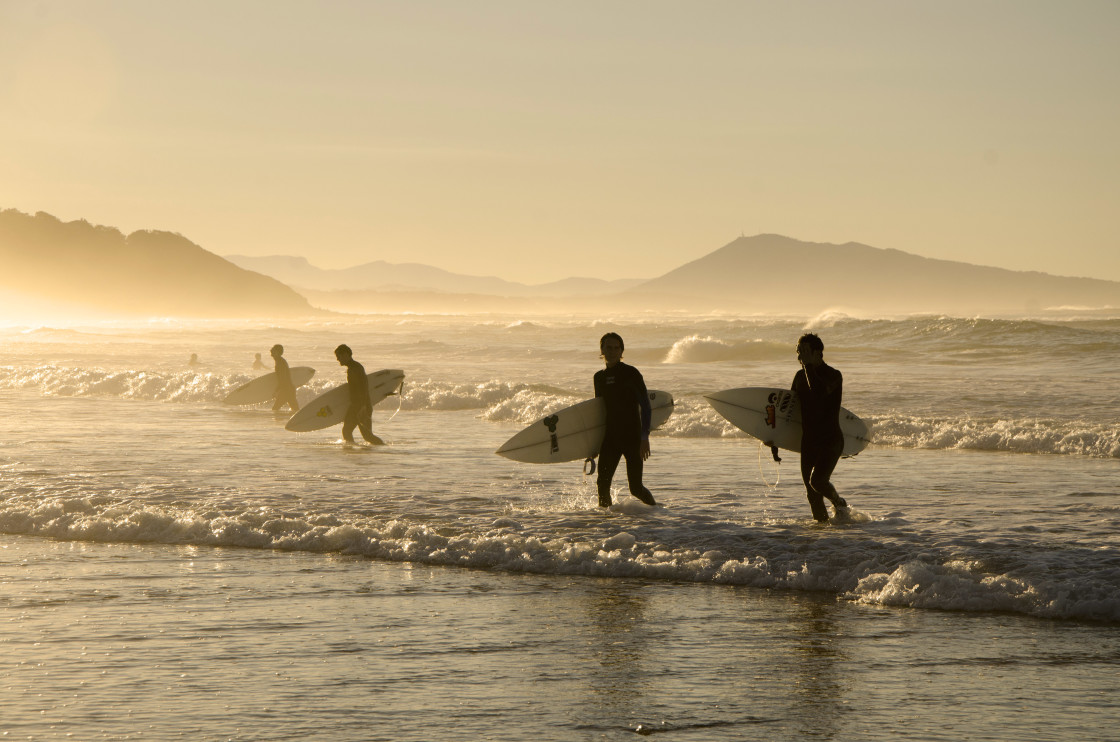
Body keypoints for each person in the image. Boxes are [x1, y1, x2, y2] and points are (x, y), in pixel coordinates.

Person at [593, 332, 657, 508]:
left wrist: (645, 438)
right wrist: (592, 446)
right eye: (608, 347)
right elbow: (599, 413)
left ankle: (656, 512)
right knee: (602, 485)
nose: (612, 351)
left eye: (616, 348)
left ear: (621, 350)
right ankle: (607, 524)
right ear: (602, 349)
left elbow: (645, 406)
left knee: (635, 488)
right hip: (610, 438)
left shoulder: (631, 373)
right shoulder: (599, 378)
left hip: (632, 437)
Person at [792, 333, 850, 521]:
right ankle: (822, 540)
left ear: (818, 353)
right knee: (812, 494)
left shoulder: (833, 375)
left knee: (818, 481)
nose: (801, 357)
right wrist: (773, 440)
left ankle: (839, 502)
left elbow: (817, 393)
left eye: (806, 352)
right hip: (808, 441)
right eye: (799, 352)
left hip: (830, 439)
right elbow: (789, 413)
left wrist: (808, 366)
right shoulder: (800, 376)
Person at [334, 344, 384, 445]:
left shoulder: (355, 368)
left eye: (339, 356)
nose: (337, 359)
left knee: (360, 434)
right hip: (359, 405)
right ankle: (352, 450)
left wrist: (362, 407)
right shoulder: (354, 367)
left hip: (360, 405)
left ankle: (383, 447)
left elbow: (363, 388)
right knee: (361, 434)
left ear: (346, 354)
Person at [270, 344, 300, 412]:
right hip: (289, 389)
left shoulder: (280, 362)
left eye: (273, 349)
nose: (270, 350)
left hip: (287, 390)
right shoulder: (280, 361)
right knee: (295, 409)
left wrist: (277, 390)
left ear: (277, 352)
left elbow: (283, 378)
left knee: (275, 410)